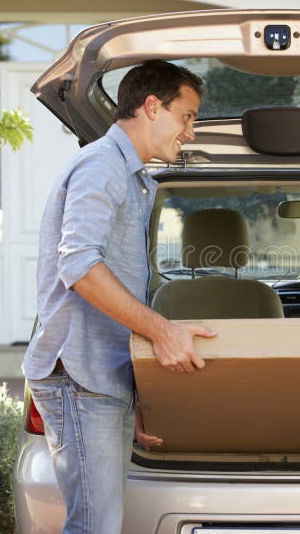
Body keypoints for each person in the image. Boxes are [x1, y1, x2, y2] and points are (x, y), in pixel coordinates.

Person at [23, 60, 216, 534]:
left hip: (102, 377)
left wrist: (138, 390)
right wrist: (162, 331)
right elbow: (80, 265)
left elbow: (120, 286)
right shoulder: (102, 164)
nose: (190, 132)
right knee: (95, 528)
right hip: (80, 376)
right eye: (187, 116)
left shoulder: (132, 176)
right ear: (153, 107)